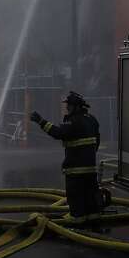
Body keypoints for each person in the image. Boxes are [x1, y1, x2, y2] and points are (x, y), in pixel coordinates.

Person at [30, 91, 101, 225]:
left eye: (69, 105)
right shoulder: (91, 119)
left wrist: (41, 121)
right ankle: (93, 218)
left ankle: (76, 219)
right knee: (90, 193)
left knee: (75, 194)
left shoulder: (72, 120)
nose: (67, 108)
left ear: (76, 106)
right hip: (90, 167)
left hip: (75, 168)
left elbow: (58, 133)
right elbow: (96, 141)